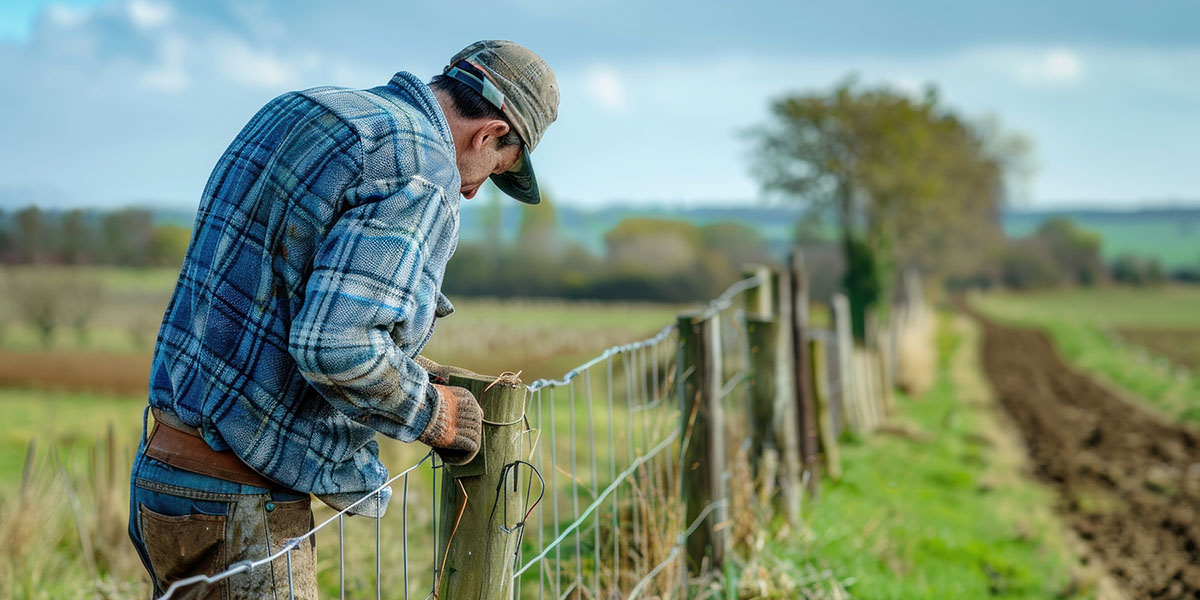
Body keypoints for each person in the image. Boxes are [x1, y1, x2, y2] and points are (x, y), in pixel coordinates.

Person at [127, 40, 559, 599]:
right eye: (494, 169)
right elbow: (337, 347)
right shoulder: (422, 169)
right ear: (490, 134)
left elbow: (279, 297)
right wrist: (437, 415)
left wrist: (405, 365)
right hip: (242, 500)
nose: (472, 191)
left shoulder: (304, 108)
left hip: (163, 473)